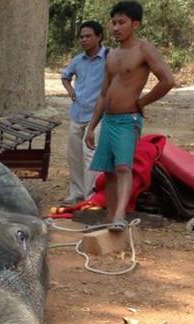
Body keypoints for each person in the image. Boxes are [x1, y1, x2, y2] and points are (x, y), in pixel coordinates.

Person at [84, 1, 175, 231]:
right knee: (108, 170)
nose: (116, 27)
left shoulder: (144, 49)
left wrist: (142, 101)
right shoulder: (111, 54)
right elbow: (104, 93)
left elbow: (168, 80)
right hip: (109, 119)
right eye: (113, 22)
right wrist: (92, 125)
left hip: (128, 119)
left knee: (124, 167)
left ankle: (120, 216)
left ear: (135, 24)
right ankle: (109, 218)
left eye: (121, 22)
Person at [60, 21, 109, 205]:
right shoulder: (77, 60)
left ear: (99, 37)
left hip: (97, 116)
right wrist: (70, 90)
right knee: (74, 155)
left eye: (88, 36)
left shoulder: (109, 57)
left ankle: (90, 196)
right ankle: (77, 192)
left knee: (90, 155)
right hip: (77, 113)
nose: (84, 39)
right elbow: (65, 76)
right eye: (81, 36)